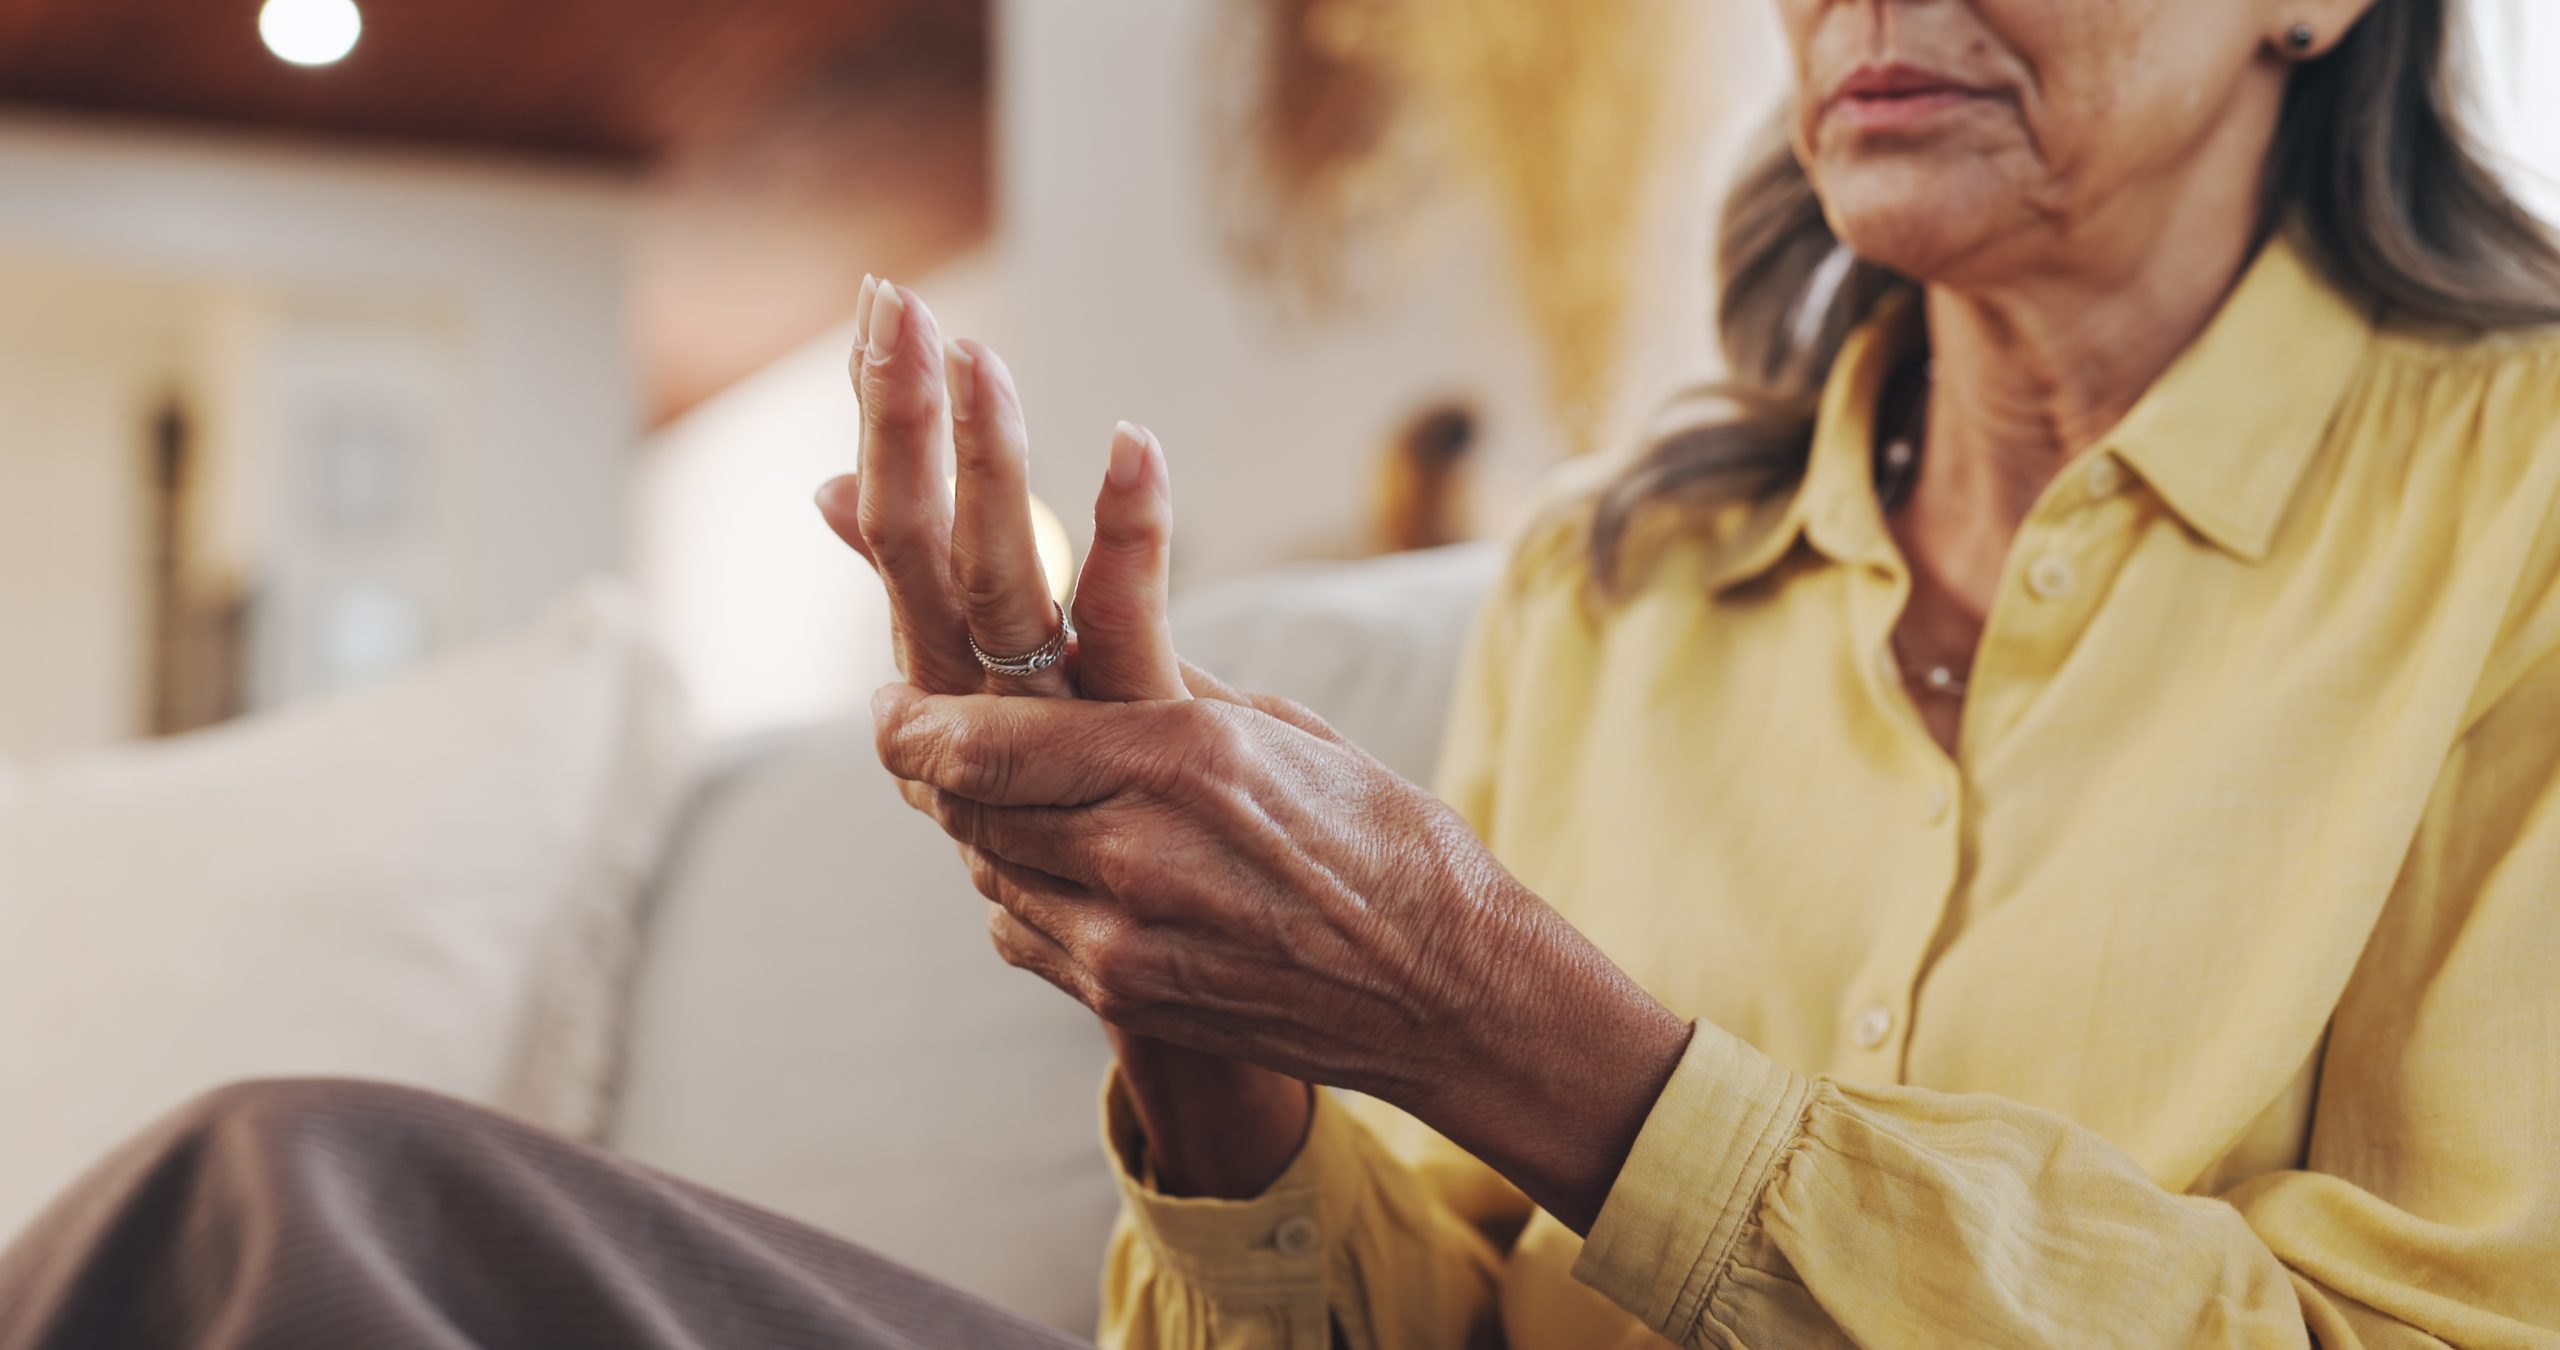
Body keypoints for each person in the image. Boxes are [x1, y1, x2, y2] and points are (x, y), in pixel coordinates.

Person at [3, 1, 2555, 1346]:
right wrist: (1205, 1044)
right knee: (293, 1229)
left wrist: (1511, 1026)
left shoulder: (2518, 511)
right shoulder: (1617, 586)